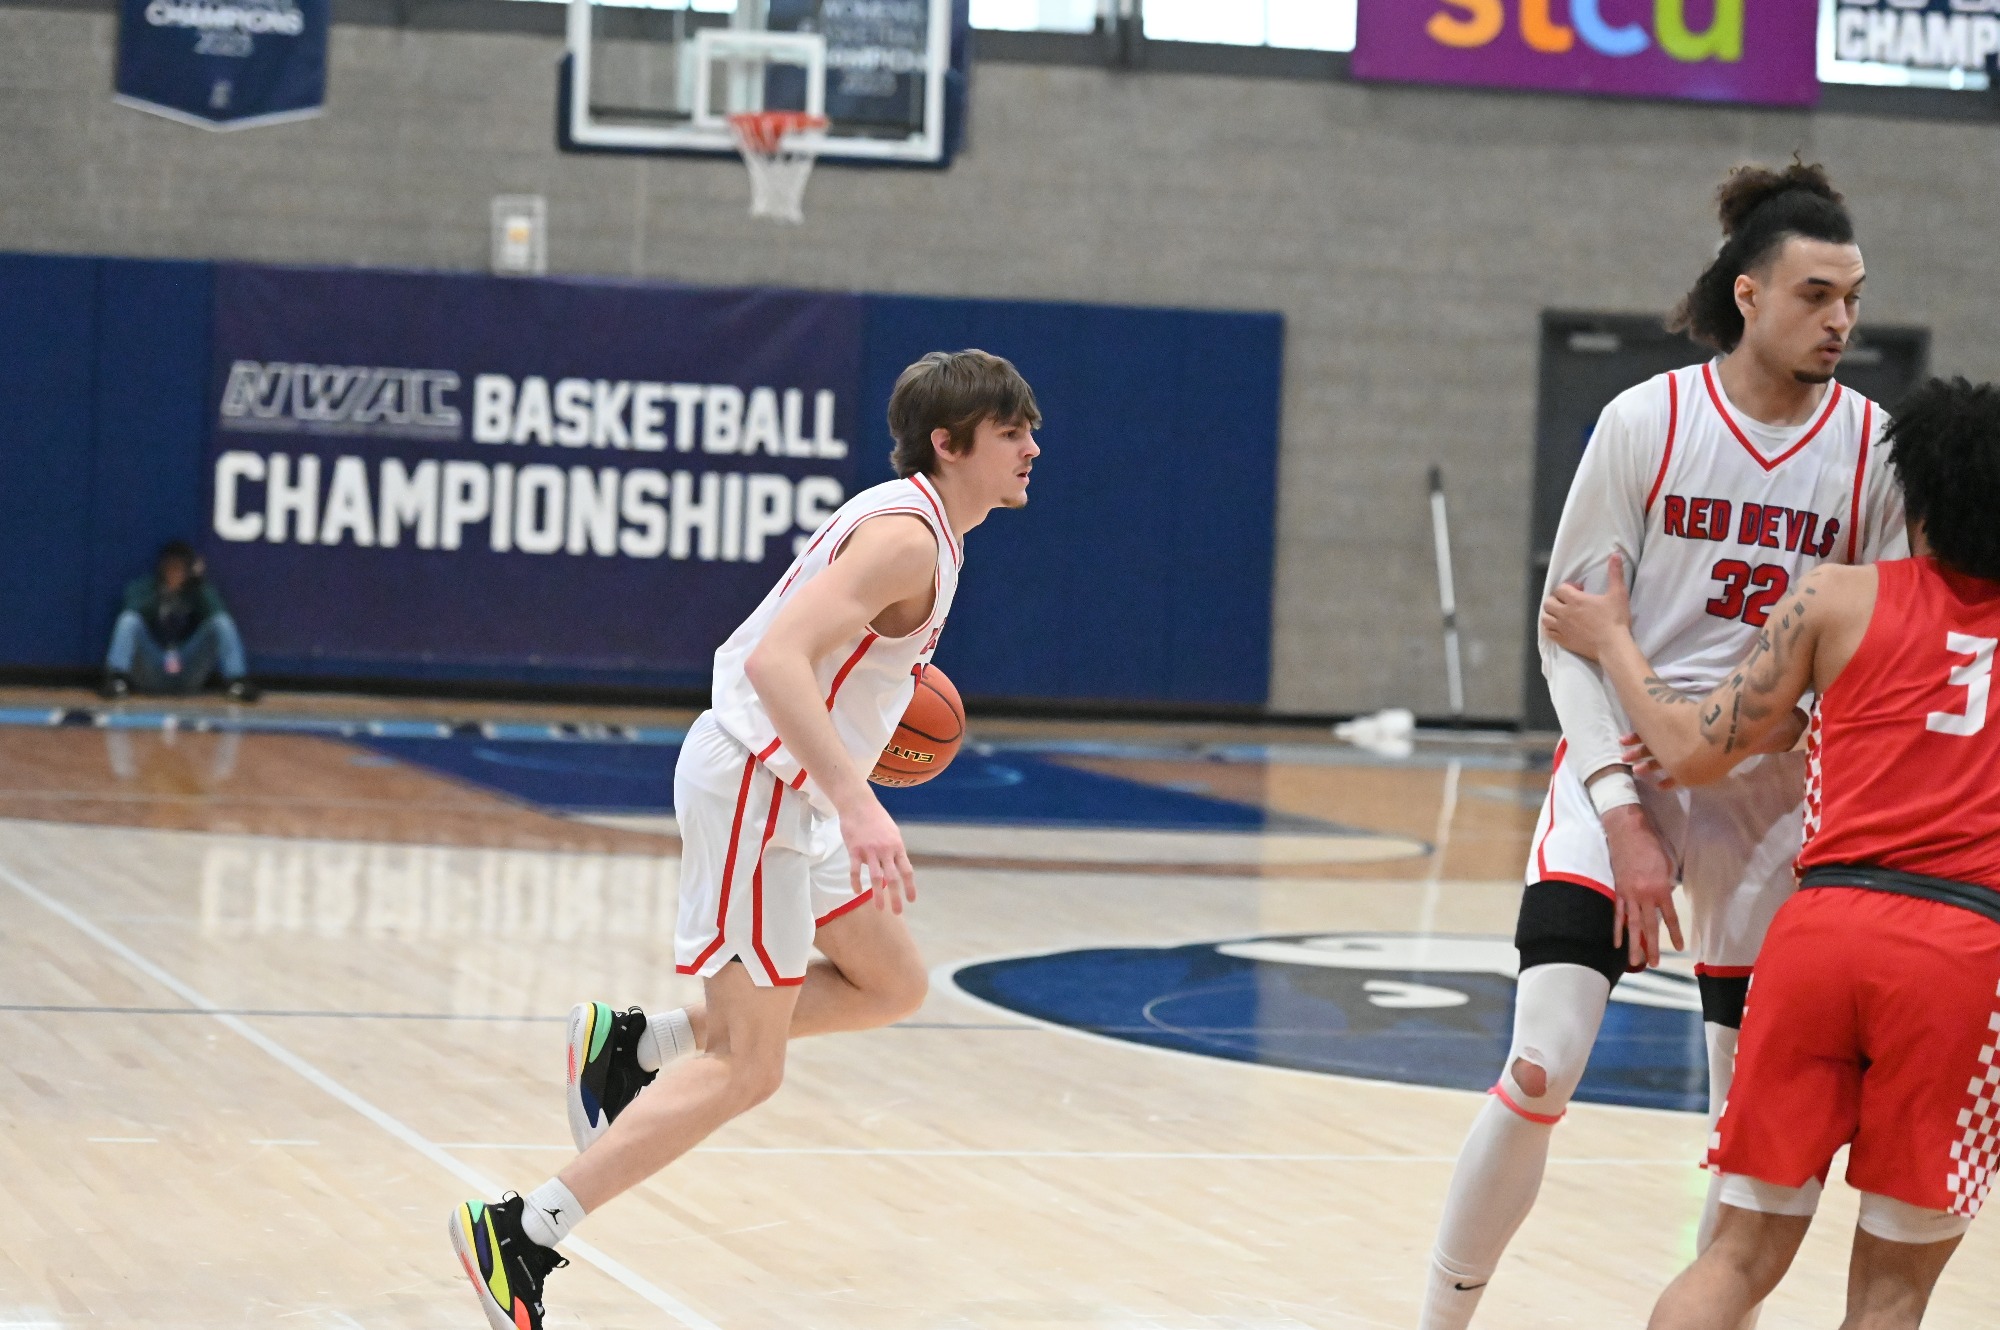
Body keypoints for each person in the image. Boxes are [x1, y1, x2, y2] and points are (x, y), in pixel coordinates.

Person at [447, 350, 1042, 1330]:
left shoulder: (924, 527)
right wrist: (857, 800)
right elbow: (773, 660)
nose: (1030, 444)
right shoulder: (905, 542)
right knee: (748, 1067)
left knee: (890, 980)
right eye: (1009, 429)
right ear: (949, 443)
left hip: (791, 789)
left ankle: (638, 1043)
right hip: (759, 788)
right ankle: (522, 1230)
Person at [1418, 160, 1907, 1330]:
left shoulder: (1873, 449)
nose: (1839, 318)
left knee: (1738, 1129)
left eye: (1851, 295)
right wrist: (1622, 813)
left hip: (1772, 792)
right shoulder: (1645, 419)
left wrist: (1797, 725)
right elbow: (1567, 635)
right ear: (1746, 293)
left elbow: (1873, 640)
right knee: (1541, 1059)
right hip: (1621, 768)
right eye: (1813, 294)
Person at [1541, 376, 2000, 1330]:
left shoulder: (1835, 598)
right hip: (1966, 957)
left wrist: (1615, 642)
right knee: (1891, 1291)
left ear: (1911, 500)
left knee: (1740, 1258)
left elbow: (1687, 745)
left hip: (1820, 933)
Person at [102, 541, 259, 702]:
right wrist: (162, 593)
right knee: (129, 620)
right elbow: (130, 609)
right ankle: (116, 680)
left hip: (187, 666)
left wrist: (199, 584)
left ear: (189, 570)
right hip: (152, 664)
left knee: (221, 622)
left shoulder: (199, 590)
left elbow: (219, 615)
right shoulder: (143, 587)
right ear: (162, 567)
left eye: (180, 568)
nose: (174, 572)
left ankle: (237, 683)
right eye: (171, 567)